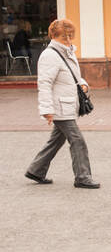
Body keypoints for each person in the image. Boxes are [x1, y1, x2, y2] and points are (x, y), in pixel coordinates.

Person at [26, 19, 99, 189]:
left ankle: (36, 170)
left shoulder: (67, 52)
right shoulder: (50, 55)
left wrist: (83, 84)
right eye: (64, 37)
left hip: (67, 103)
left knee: (56, 141)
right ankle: (82, 177)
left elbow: (73, 76)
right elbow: (44, 84)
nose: (68, 40)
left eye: (70, 36)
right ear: (54, 36)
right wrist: (46, 109)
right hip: (60, 106)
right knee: (77, 140)